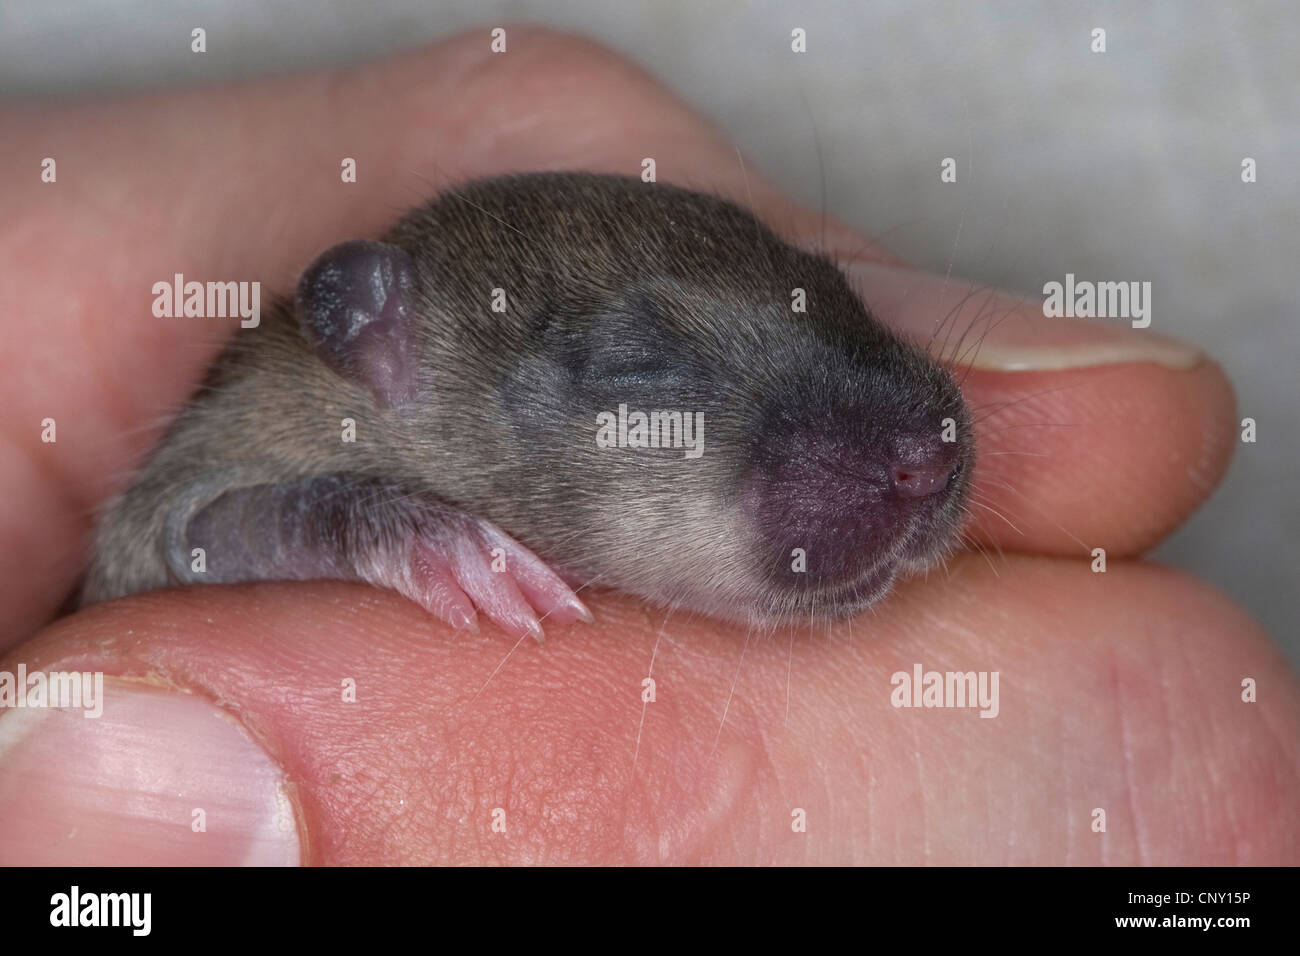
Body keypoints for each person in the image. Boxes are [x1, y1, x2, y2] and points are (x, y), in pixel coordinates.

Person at [0, 29, 1295, 865]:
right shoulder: (302, 396)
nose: (920, 454)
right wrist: (360, 524)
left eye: (824, 307)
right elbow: (173, 540)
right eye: (644, 367)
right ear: (384, 346)